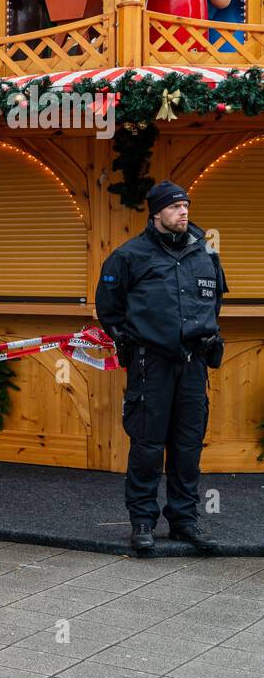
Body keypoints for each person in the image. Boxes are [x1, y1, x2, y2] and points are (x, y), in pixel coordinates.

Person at [95, 181, 228, 555]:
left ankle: (185, 521)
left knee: (187, 446)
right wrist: (136, 341)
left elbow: (213, 304)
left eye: (186, 205)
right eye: (174, 207)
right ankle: (142, 521)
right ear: (155, 213)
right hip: (149, 365)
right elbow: (109, 310)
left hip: (193, 365)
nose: (183, 211)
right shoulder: (128, 256)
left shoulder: (205, 254)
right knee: (148, 445)